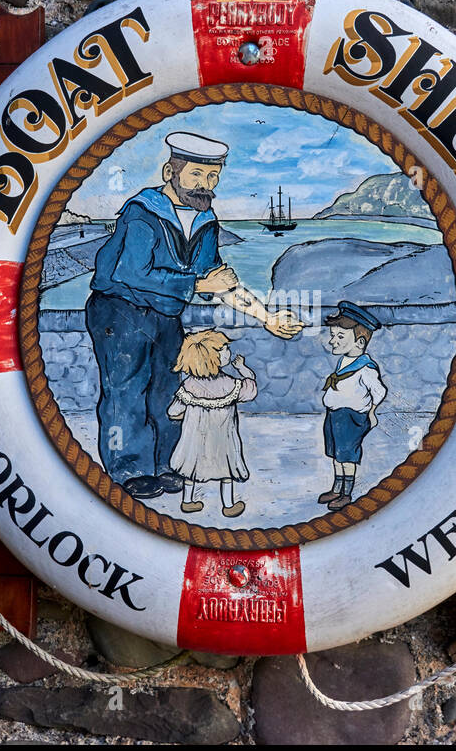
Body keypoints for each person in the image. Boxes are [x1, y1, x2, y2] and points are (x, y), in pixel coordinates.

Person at [85, 131, 303, 500]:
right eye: (197, 176)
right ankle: (130, 470)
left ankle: (167, 465)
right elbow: (134, 273)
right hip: (120, 310)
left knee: (167, 388)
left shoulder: (205, 221)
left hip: (165, 314)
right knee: (126, 389)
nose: (206, 185)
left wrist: (267, 317)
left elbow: (219, 279)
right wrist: (199, 287)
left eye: (213, 177)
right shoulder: (142, 212)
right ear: (171, 171)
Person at [167, 330, 257, 518]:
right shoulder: (229, 384)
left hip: (195, 439)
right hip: (222, 439)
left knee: (191, 469)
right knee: (226, 471)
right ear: (210, 358)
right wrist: (243, 369)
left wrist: (182, 416)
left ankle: (187, 501)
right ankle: (229, 505)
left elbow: (173, 411)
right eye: (222, 350)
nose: (228, 352)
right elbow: (250, 390)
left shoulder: (189, 385)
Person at [318, 301, 387, 511]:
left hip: (351, 418)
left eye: (340, 336)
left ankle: (346, 494)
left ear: (359, 342)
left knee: (347, 456)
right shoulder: (345, 362)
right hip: (335, 416)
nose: (332, 341)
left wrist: (372, 412)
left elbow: (379, 391)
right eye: (333, 335)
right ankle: (336, 488)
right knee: (336, 455)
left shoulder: (365, 368)